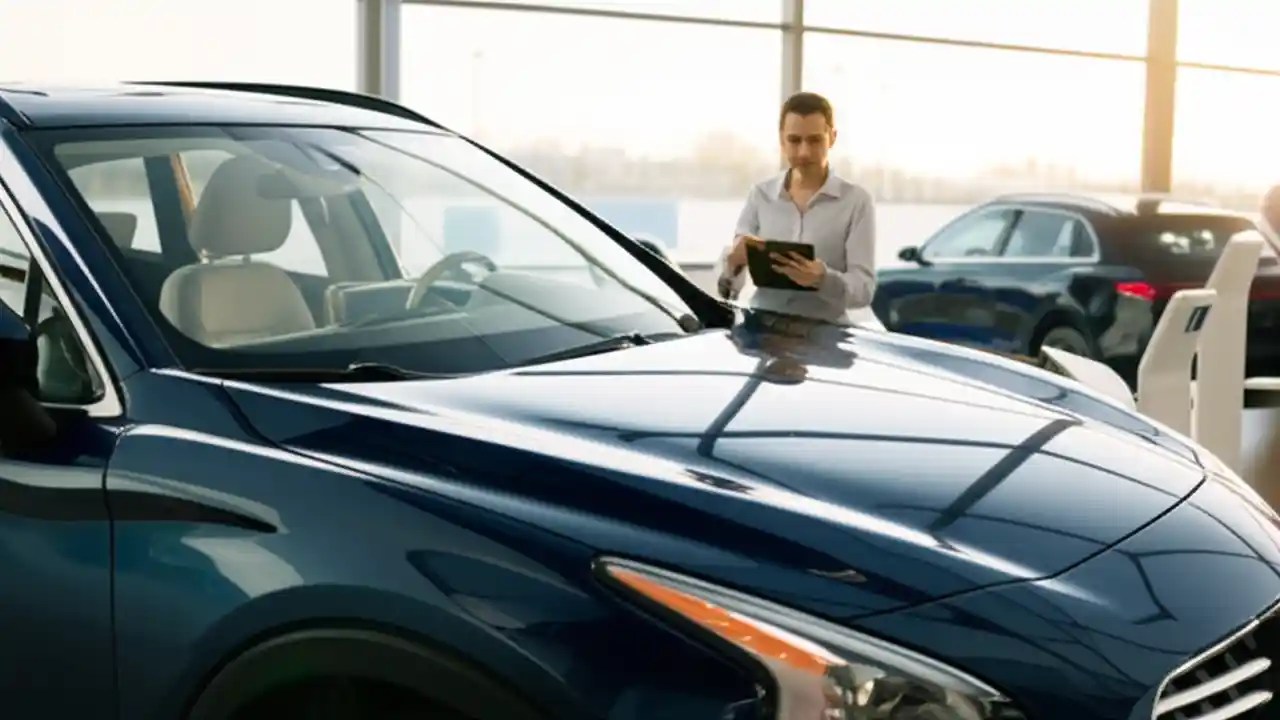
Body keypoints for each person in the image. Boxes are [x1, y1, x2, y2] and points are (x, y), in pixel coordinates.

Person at [715, 91, 876, 325]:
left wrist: (822, 279)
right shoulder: (760, 196)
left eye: (814, 140)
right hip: (763, 332)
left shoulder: (856, 202)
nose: (804, 152)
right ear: (782, 141)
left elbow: (864, 290)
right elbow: (727, 291)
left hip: (826, 339)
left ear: (832, 137)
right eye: (794, 140)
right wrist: (733, 263)